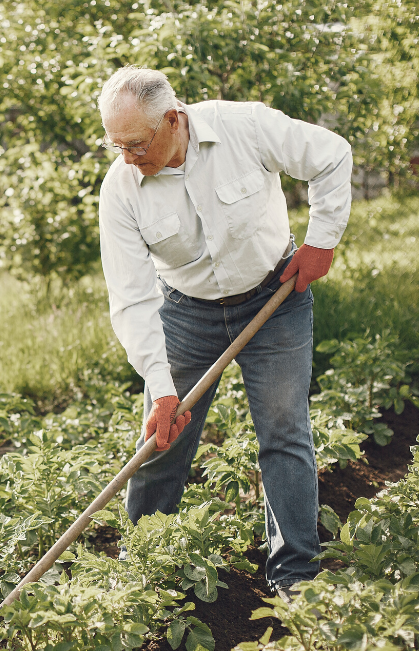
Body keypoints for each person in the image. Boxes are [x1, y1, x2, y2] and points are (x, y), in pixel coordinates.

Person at [96, 66, 352, 599]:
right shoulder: (121, 189)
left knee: (284, 432)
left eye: (136, 144)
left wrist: (321, 240)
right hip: (185, 313)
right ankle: (142, 569)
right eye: (116, 145)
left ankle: (295, 577)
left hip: (274, 296)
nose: (127, 158)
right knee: (163, 439)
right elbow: (133, 297)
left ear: (173, 119)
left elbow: (331, 154)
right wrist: (162, 386)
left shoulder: (244, 127)